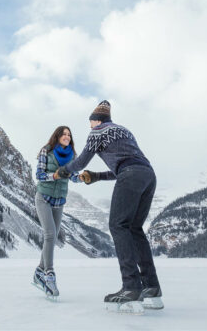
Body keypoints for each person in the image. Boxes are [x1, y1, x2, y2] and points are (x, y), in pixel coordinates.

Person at [55, 100, 163, 308]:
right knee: (134, 229)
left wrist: (65, 170)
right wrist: (96, 176)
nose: (89, 127)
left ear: (96, 120)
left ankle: (131, 287)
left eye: (90, 123)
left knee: (118, 225)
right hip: (148, 175)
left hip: (131, 175)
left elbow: (81, 162)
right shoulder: (124, 131)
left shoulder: (98, 132)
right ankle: (152, 286)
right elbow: (128, 166)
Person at [32, 125, 81, 298]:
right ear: (58, 136)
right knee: (50, 235)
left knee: (52, 239)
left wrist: (83, 178)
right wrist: (54, 176)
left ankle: (39, 271)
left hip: (59, 201)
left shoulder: (72, 156)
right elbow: (39, 175)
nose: (67, 137)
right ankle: (49, 274)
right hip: (44, 197)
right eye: (64, 134)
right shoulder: (47, 151)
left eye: (69, 134)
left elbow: (73, 176)